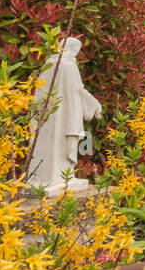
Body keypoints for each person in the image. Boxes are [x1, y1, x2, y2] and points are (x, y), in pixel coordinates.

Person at [26, 36, 102, 194]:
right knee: (61, 145)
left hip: (47, 114)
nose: (76, 55)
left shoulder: (48, 63)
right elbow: (77, 90)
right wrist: (94, 103)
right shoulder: (68, 66)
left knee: (46, 144)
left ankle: (43, 177)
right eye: (76, 51)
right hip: (64, 115)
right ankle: (59, 178)